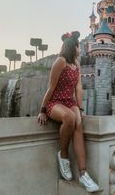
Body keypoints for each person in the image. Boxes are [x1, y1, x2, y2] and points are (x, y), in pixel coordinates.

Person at [38, 31, 99, 193]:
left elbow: (78, 88)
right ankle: (63, 154)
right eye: (79, 46)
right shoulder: (60, 62)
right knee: (69, 117)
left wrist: (80, 108)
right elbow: (51, 87)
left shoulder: (77, 65)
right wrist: (43, 109)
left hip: (69, 102)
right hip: (55, 102)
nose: (81, 49)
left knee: (78, 122)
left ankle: (84, 174)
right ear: (73, 47)